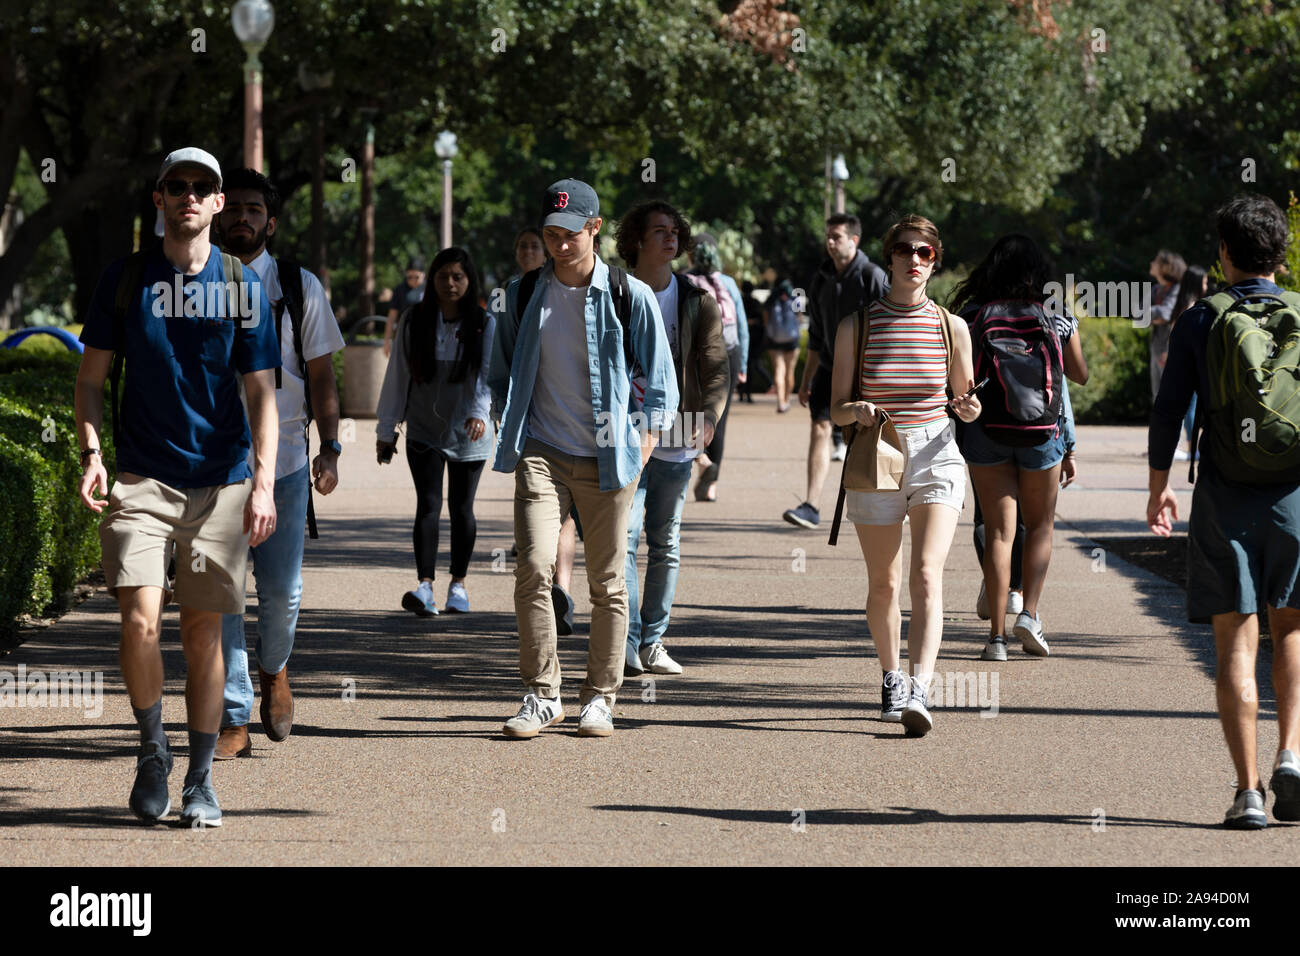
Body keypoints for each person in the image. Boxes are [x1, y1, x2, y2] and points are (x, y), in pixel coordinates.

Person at [74, 147, 279, 826]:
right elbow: (91, 380)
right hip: (140, 477)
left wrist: (263, 487)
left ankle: (200, 778)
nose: (190, 196)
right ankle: (151, 749)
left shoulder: (243, 285)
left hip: (221, 483)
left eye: (203, 188)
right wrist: (93, 454)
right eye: (177, 186)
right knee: (137, 619)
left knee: (202, 633)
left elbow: (261, 395)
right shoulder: (125, 279)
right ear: (159, 198)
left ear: (219, 203)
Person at [488, 178, 678, 739]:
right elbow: (499, 373)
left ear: (594, 229)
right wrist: (512, 426)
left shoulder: (629, 294)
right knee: (532, 567)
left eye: (571, 234)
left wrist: (639, 451)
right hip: (542, 453)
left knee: (608, 583)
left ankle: (599, 696)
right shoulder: (521, 294)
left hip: (608, 455)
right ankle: (542, 694)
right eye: (550, 234)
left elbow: (661, 386)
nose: (560, 244)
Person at [1148, 193, 1300, 829]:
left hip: (1222, 496)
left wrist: (1158, 487)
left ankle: (1250, 791)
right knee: (1291, 628)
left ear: (1223, 254)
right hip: (1295, 495)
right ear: (1282, 258)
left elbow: (1167, 410)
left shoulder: (1200, 318)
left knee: (1235, 639)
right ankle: (1292, 755)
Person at [830, 214, 981, 736]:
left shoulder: (951, 326)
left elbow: (966, 399)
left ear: (934, 261)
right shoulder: (858, 324)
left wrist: (969, 408)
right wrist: (859, 411)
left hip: (937, 451)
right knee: (885, 582)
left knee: (926, 574)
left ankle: (920, 687)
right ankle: (891, 676)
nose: (915, 260)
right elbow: (835, 409)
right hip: (879, 453)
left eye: (926, 253)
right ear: (889, 256)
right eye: (905, 250)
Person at [213, 168, 345, 760]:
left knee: (282, 594)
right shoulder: (192, 280)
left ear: (272, 220)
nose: (243, 216)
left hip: (287, 459)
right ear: (218, 212)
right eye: (233, 206)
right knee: (220, 595)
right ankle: (234, 714)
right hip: (209, 463)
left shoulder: (299, 286)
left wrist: (332, 447)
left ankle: (276, 669)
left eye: (254, 208)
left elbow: (322, 374)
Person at [950, 235, 1089, 661]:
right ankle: (1029, 614)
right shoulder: (1055, 312)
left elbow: (955, 376)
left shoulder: (971, 313)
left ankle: (995, 638)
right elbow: (1078, 375)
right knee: (1041, 526)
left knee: (997, 531)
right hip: (1042, 432)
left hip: (986, 431)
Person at [615, 199, 729, 676]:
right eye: (659, 231)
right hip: (622, 433)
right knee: (623, 539)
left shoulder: (695, 299)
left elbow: (715, 364)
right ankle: (624, 640)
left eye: (674, 231)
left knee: (665, 541)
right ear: (637, 241)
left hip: (678, 434)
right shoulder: (614, 294)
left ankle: (653, 641)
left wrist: (710, 417)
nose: (670, 238)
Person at [377, 247, 494, 615]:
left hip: (469, 430)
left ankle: (458, 585)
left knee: (462, 509)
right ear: (432, 280)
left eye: (458, 277)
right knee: (427, 506)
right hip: (423, 428)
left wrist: (479, 413)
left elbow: (488, 373)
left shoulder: (484, 323)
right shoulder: (414, 321)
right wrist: (386, 429)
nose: (450, 283)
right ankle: (424, 586)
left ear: (469, 280)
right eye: (443, 276)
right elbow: (397, 376)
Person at [786, 214, 889, 529]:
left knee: (874, 440)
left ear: (853, 240)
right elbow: (816, 335)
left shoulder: (873, 277)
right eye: (828, 236)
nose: (830, 243)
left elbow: (892, 328)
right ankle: (811, 505)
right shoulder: (821, 279)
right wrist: (806, 381)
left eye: (837, 237)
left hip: (868, 373)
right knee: (819, 427)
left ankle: (896, 503)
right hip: (830, 370)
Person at [684, 240, 748, 501]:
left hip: (695, 355)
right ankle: (712, 485)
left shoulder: (684, 280)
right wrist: (742, 365)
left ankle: (700, 461)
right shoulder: (728, 283)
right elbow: (742, 325)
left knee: (688, 413)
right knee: (718, 419)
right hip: (728, 355)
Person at [1168, 264, 1209, 461]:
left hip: (1182, 363)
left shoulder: (1181, 305)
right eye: (1205, 281)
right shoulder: (1192, 307)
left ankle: (1191, 447)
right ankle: (1193, 448)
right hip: (1191, 365)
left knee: (1186, 408)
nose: (1207, 285)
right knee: (1191, 409)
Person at [1148, 249, 1186, 399]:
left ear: (1166, 266)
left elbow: (1166, 313)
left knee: (1171, 397)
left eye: (1155, 261)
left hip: (1169, 350)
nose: (1151, 263)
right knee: (1157, 396)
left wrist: (1152, 314)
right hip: (1156, 349)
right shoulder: (1156, 290)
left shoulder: (1177, 290)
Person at [765, 279, 801, 412]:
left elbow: (766, 320)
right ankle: (786, 400)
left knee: (779, 371)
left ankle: (780, 402)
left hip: (774, 340)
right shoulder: (795, 299)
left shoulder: (771, 300)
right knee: (789, 372)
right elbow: (800, 319)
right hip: (792, 340)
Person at [382, 257, 427, 358]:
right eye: (409, 277)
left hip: (426, 335)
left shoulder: (430, 288)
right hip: (404, 335)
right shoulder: (400, 289)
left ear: (423, 275)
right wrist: (386, 341)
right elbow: (391, 317)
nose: (413, 280)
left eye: (416, 277)